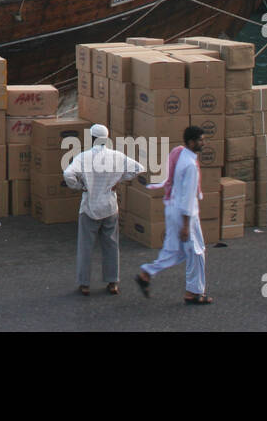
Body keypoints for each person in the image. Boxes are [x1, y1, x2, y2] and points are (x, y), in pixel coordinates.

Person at [63, 124, 146, 296]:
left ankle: (84, 284)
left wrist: (79, 186)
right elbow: (138, 168)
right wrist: (119, 179)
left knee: (86, 247)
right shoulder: (116, 156)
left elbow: (68, 174)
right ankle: (112, 282)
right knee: (111, 245)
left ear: (91, 138)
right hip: (109, 206)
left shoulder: (83, 157)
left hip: (89, 206)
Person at [136, 126, 212, 304]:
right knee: (196, 252)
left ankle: (146, 273)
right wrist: (186, 225)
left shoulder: (179, 153)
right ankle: (193, 293)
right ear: (192, 142)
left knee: (175, 250)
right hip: (185, 214)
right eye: (201, 140)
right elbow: (188, 197)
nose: (204, 143)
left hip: (172, 208)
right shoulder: (191, 166)